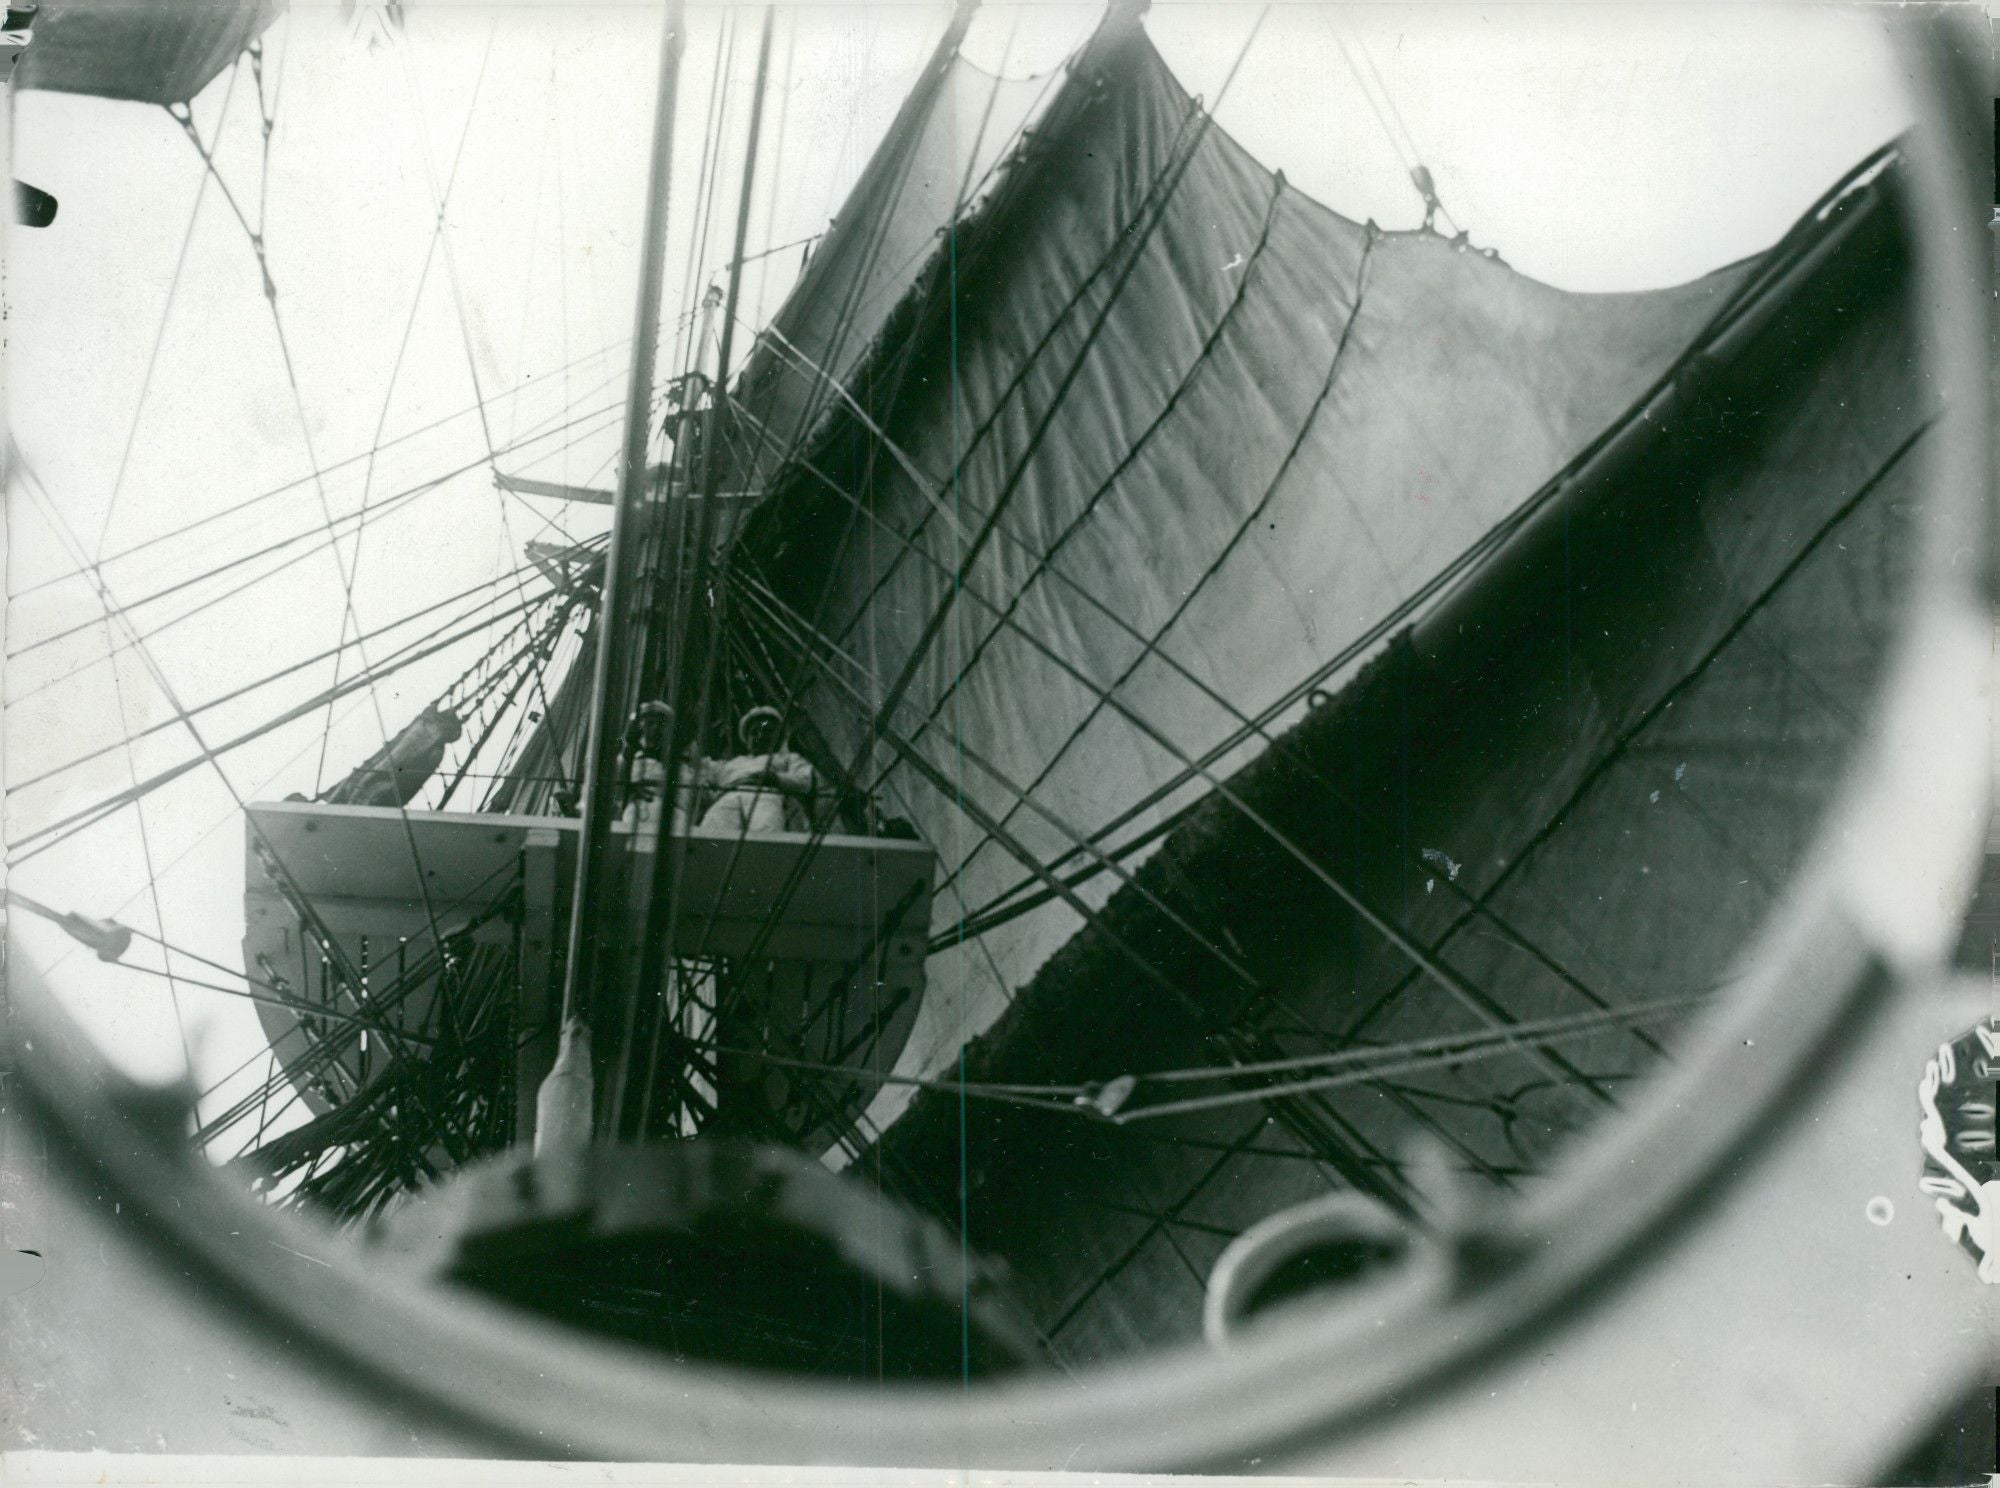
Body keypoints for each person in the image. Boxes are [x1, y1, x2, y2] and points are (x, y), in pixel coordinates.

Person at [694, 705, 823, 836]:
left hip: (766, 795)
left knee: (765, 835)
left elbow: (805, 780)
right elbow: (696, 765)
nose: (760, 736)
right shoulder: (728, 765)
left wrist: (775, 778)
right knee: (713, 835)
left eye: (767, 731)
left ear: (778, 737)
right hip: (727, 796)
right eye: (754, 732)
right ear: (747, 740)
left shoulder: (787, 759)